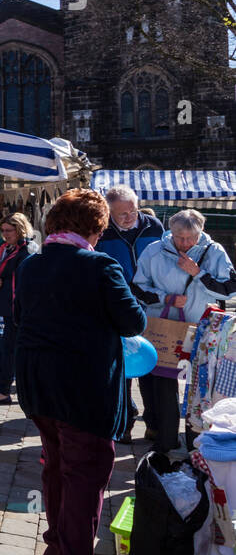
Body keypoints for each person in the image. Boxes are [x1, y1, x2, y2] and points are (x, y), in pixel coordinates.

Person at [13, 188, 147, 555]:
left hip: (39, 386)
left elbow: (21, 318)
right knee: (85, 478)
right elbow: (132, 321)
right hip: (83, 392)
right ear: (95, 227)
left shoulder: (31, 265)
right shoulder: (100, 265)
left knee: (57, 469)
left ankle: (57, 550)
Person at [132, 208, 236, 454]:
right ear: (171, 232)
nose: (186, 243)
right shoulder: (154, 250)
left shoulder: (215, 251)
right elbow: (137, 287)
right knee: (164, 384)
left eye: (191, 238)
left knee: (199, 385)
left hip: (202, 330)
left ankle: (194, 440)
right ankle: (166, 439)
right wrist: (164, 297)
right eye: (180, 238)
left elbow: (230, 289)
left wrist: (197, 273)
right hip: (165, 327)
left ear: (201, 233)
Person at [95, 184, 163, 442]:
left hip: (152, 305)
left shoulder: (154, 226)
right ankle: (124, 424)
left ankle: (154, 423)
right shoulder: (102, 232)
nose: (128, 217)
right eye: (121, 214)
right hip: (117, 306)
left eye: (132, 210)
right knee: (122, 367)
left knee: (152, 366)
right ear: (109, 212)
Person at [0, 212, 37, 405]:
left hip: (17, 305)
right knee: (9, 347)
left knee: (12, 348)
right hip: (4, 303)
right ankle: (7, 389)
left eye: (9, 230)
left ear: (19, 229)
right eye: (2, 230)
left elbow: (24, 278)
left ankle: (5, 390)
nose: (5, 234)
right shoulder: (5, 247)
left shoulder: (27, 249)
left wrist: (0, 281)